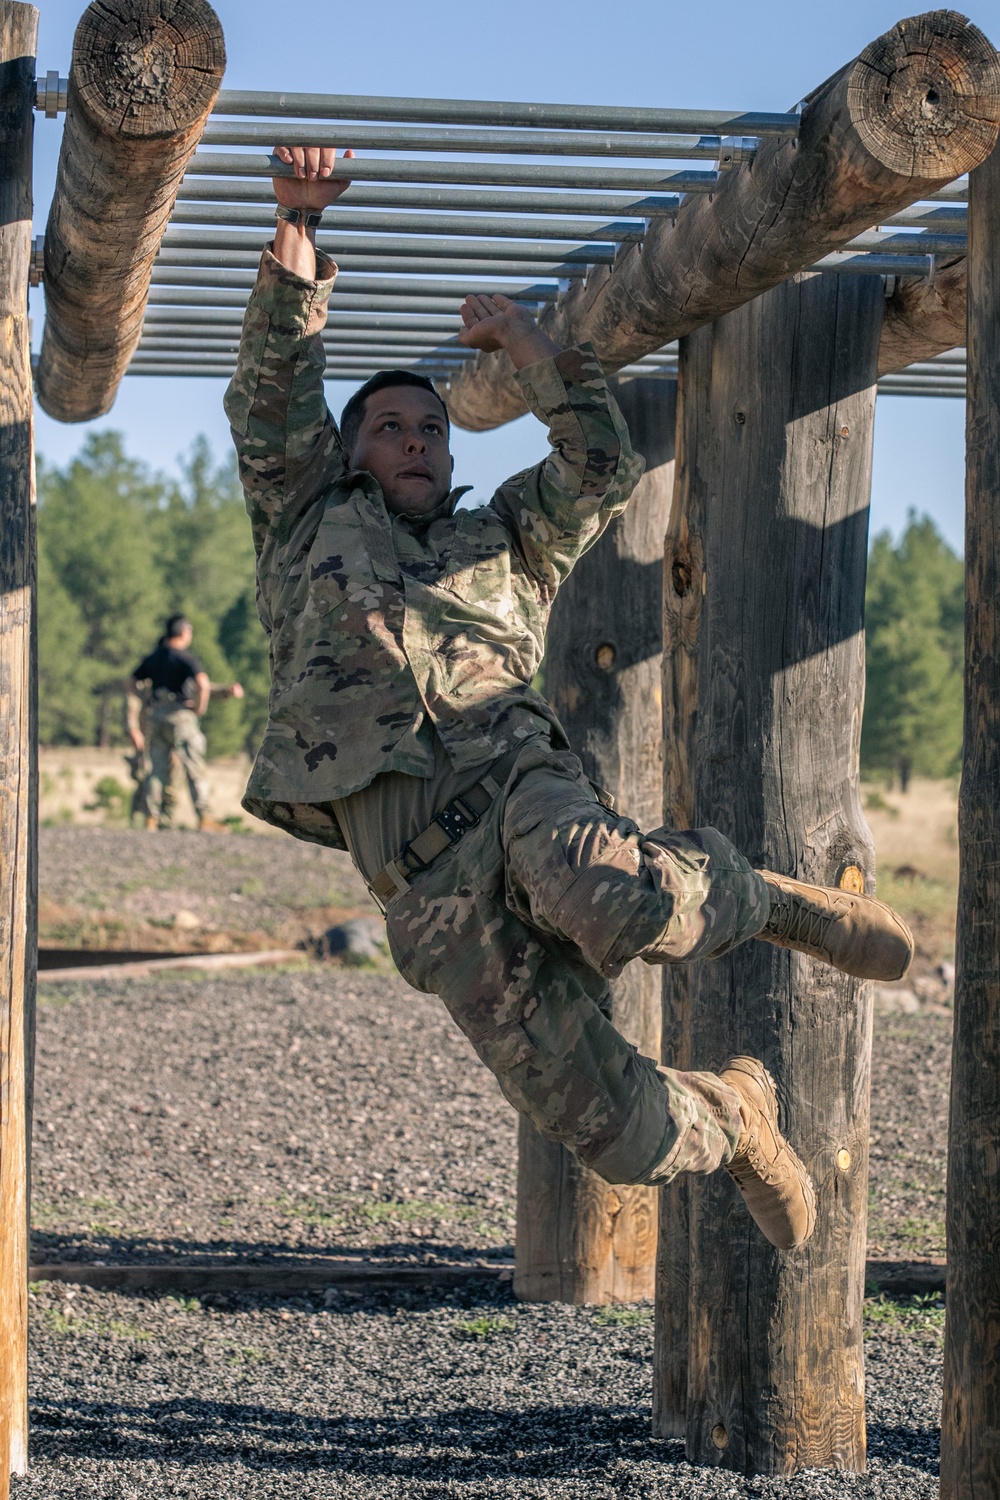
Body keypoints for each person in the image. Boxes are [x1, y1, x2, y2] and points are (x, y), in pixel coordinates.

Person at [223, 144, 915, 1252]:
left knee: (619, 899)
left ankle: (773, 903)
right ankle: (738, 1116)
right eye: (388, 427)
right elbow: (271, 397)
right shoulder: (306, 520)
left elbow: (599, 468)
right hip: (427, 884)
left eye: (429, 427)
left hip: (515, 784)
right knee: (621, 1139)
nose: (413, 437)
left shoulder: (502, 538)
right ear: (345, 454)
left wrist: (541, 358)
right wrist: (297, 226)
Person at [128, 616, 243, 833]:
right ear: (184, 633)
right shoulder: (186, 658)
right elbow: (202, 684)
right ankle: (204, 817)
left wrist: (147, 700)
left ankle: (151, 818)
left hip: (158, 717)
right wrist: (199, 709)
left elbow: (129, 681)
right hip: (181, 719)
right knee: (194, 769)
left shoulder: (153, 657)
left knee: (156, 770)